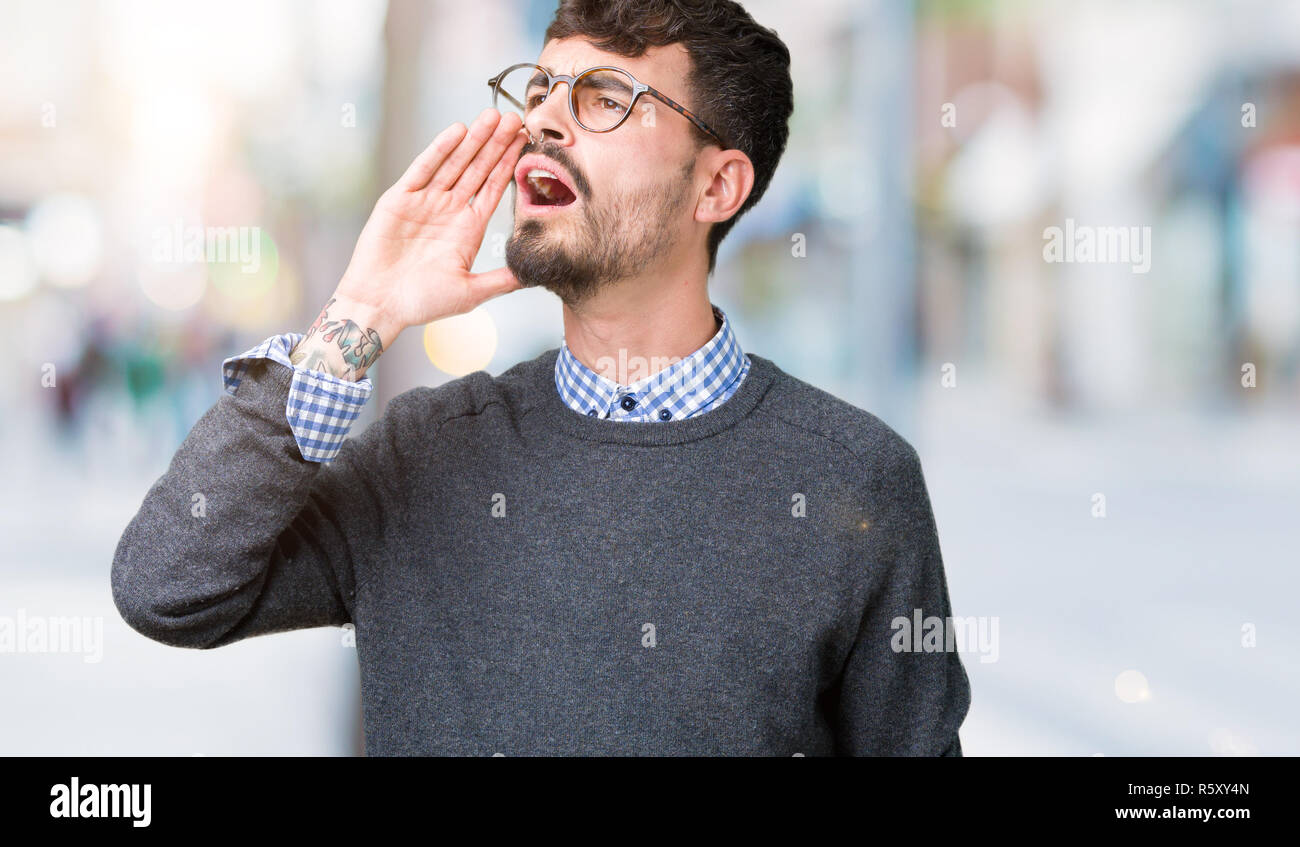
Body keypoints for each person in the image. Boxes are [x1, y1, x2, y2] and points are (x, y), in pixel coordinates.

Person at [112, 0, 971, 756]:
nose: (545, 123)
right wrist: (361, 313)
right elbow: (170, 586)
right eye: (538, 92)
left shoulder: (856, 478)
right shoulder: (424, 456)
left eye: (603, 97)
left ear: (718, 185)